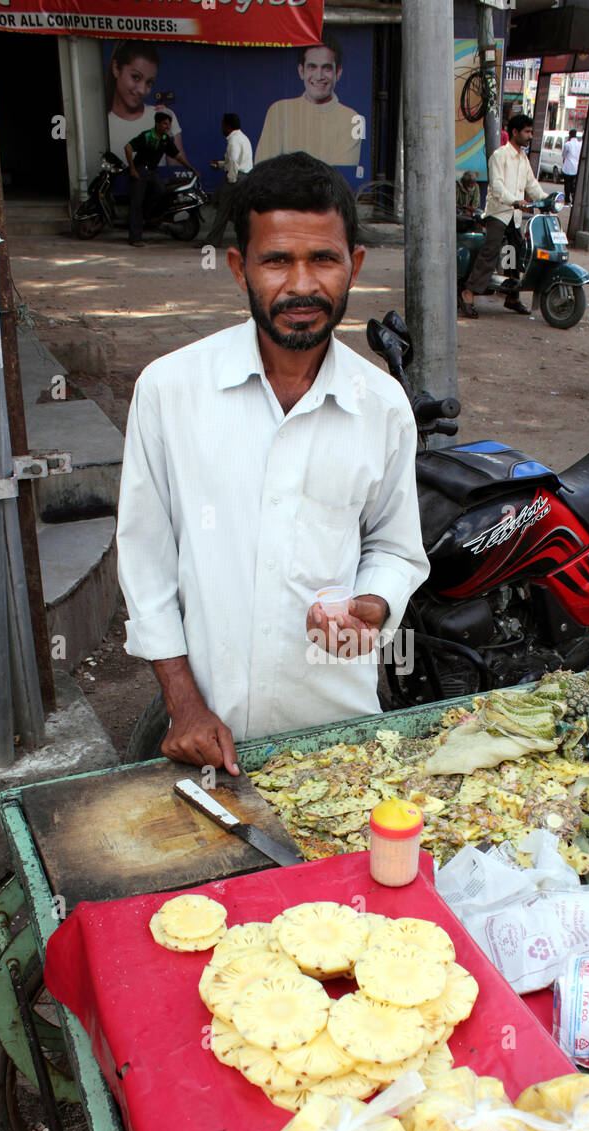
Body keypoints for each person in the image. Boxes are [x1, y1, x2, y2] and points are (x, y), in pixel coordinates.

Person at [116, 152, 429, 768]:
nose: (302, 286)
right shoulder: (169, 389)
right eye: (277, 260)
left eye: (323, 259)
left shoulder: (383, 405)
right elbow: (147, 561)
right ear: (240, 268)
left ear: (354, 266)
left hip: (339, 739)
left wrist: (375, 604)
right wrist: (183, 702)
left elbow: (395, 547)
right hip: (206, 732)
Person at [459, 114, 544, 319]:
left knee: (515, 253)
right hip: (498, 212)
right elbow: (497, 186)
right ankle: (468, 292)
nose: (530, 136)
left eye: (531, 132)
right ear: (515, 132)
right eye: (527, 132)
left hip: (514, 216)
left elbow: (532, 185)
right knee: (491, 251)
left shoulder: (523, 159)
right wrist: (515, 200)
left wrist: (549, 199)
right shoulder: (499, 156)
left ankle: (512, 297)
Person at [254, 35, 363, 169]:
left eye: (326, 68)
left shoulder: (352, 119)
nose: (319, 76)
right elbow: (263, 171)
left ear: (338, 72)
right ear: (301, 71)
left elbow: (339, 178)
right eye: (312, 67)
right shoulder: (279, 111)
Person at [106, 39, 187, 168]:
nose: (142, 90)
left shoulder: (162, 116)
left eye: (149, 83)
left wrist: (168, 136)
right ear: (116, 68)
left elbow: (177, 173)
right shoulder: (101, 124)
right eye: (135, 77)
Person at [124, 112, 198, 248]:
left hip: (153, 172)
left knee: (161, 191)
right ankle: (135, 238)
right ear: (157, 124)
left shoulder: (165, 139)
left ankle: (147, 217)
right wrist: (132, 169)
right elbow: (128, 148)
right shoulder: (146, 136)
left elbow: (177, 156)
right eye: (164, 123)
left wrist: (191, 169)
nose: (167, 126)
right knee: (136, 203)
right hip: (140, 171)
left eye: (169, 124)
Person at [208, 113, 254, 245]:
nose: (221, 127)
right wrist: (221, 164)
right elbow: (236, 161)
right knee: (225, 206)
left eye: (222, 125)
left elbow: (234, 162)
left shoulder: (233, 141)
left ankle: (213, 241)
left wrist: (231, 180)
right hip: (244, 176)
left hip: (235, 178)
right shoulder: (243, 138)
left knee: (221, 207)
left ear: (227, 126)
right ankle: (241, 228)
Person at [562, 128, 581, 205]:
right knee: (574, 184)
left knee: (567, 184)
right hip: (576, 167)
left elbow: (564, 154)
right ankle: (574, 198)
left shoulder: (567, 144)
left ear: (570, 135)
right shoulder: (580, 144)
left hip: (568, 167)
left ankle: (567, 199)